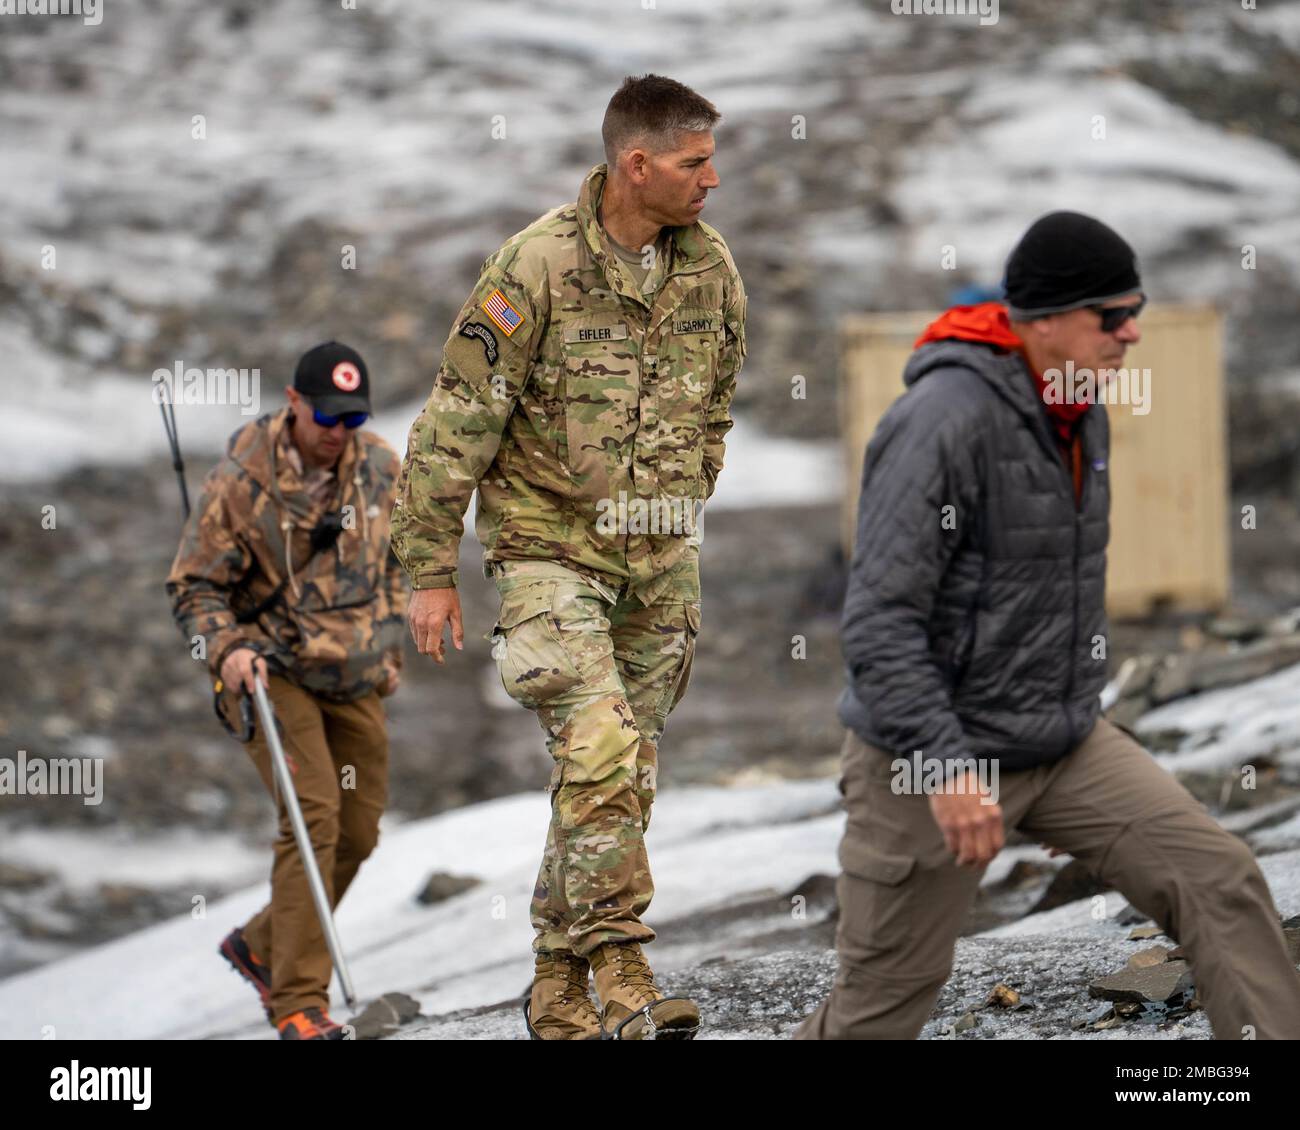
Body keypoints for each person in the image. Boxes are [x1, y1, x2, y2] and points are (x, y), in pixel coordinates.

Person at [798, 212, 1300, 1040]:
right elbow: (882, 621)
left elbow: (1046, 601)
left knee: (1220, 881)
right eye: (1113, 315)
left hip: (1061, 745)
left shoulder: (1079, 408)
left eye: (1135, 310)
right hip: (928, 755)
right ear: (1045, 319)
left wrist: (1077, 754)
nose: (1132, 333)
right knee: (884, 1005)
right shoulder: (940, 421)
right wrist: (951, 770)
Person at [391, 74, 746, 1040]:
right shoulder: (533, 268)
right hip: (548, 549)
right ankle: (624, 970)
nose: (712, 180)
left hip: (661, 561)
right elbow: (456, 424)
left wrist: (690, 489)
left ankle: (555, 985)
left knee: (620, 769)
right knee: (598, 744)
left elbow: (717, 402)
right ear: (637, 165)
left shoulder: (710, 269)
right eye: (693, 162)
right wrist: (428, 571)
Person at [167, 341, 407, 1040]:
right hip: (269, 671)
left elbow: (405, 557)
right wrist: (229, 646)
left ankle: (259, 944)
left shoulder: (383, 469)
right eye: (327, 418)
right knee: (314, 815)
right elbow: (194, 585)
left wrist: (388, 644)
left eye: (352, 420)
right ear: (294, 401)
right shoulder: (244, 478)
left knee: (359, 832)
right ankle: (298, 1003)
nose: (338, 434)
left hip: (353, 674)